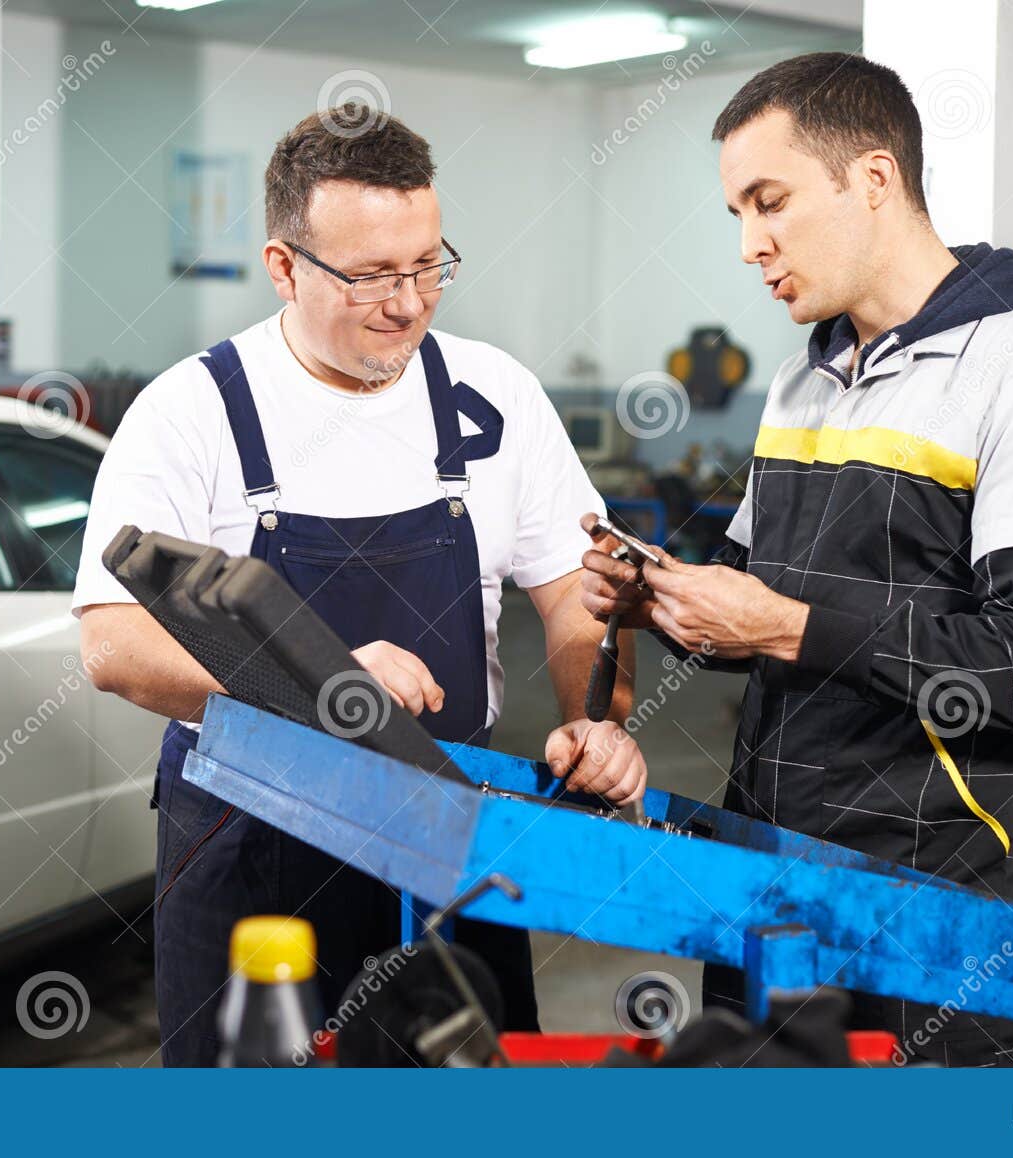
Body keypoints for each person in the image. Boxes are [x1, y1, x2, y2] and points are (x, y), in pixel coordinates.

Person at [579, 53, 1013, 1067]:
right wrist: (658, 597)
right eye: (736, 213)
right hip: (767, 871)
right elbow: (750, 613)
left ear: (871, 179)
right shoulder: (803, 377)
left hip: (929, 903)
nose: (750, 245)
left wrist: (779, 624)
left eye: (770, 201)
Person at [74, 105, 647, 1066]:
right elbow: (112, 645)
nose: (409, 301)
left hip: (447, 834)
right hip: (248, 850)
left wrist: (600, 715)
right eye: (372, 275)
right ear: (285, 266)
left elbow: (571, 595)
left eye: (428, 264)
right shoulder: (193, 413)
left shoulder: (496, 399)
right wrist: (315, 680)